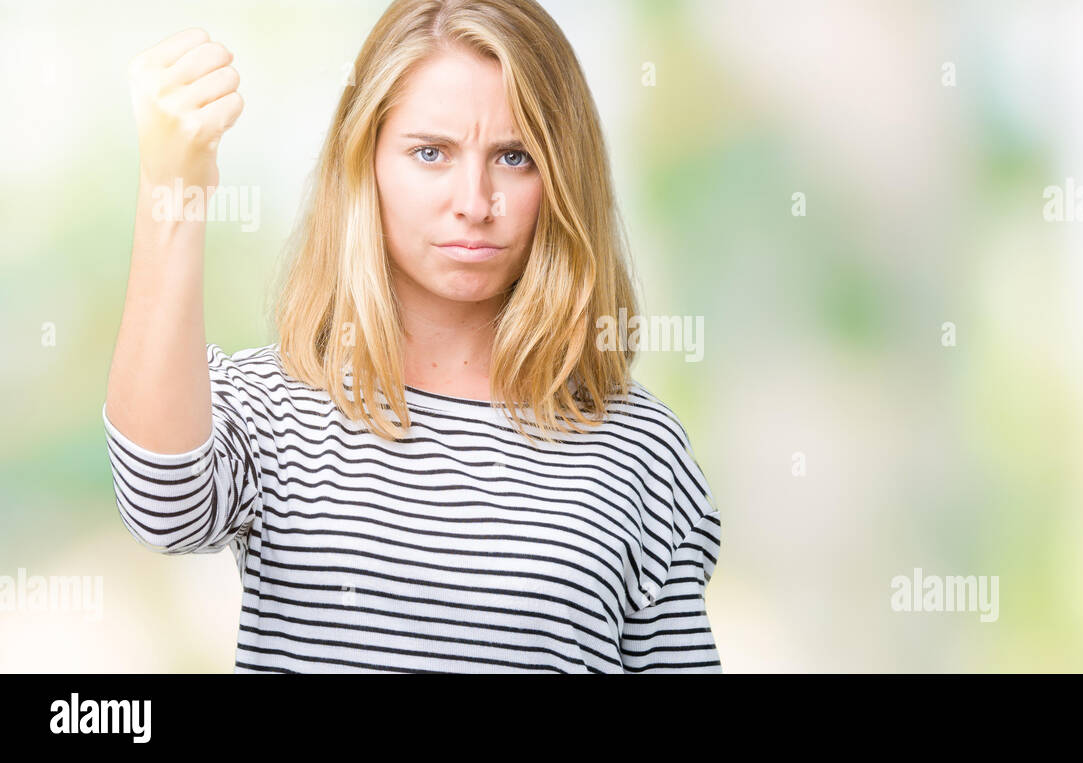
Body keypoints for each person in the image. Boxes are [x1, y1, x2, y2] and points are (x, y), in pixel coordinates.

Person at [103, 0, 721, 673]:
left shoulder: (640, 450)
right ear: (365, 162)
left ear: (563, 175)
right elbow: (161, 504)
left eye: (514, 156)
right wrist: (172, 188)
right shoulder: (271, 407)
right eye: (432, 152)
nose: (475, 201)